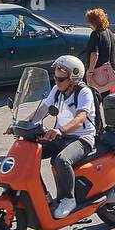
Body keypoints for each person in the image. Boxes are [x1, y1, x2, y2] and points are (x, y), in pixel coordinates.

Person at [17, 55, 96, 219]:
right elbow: (42, 110)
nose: (56, 81)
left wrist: (61, 130)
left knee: (61, 160)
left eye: (60, 79)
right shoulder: (57, 90)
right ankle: (44, 196)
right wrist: (20, 125)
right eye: (55, 77)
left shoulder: (84, 93)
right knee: (29, 154)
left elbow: (80, 119)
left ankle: (68, 199)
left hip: (81, 138)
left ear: (73, 79)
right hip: (61, 136)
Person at [84, 8, 115, 101]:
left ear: (93, 22)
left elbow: (94, 54)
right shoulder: (110, 33)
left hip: (98, 74)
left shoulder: (95, 34)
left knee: (94, 101)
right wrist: (114, 69)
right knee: (107, 99)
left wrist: (90, 72)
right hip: (109, 72)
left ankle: (96, 116)